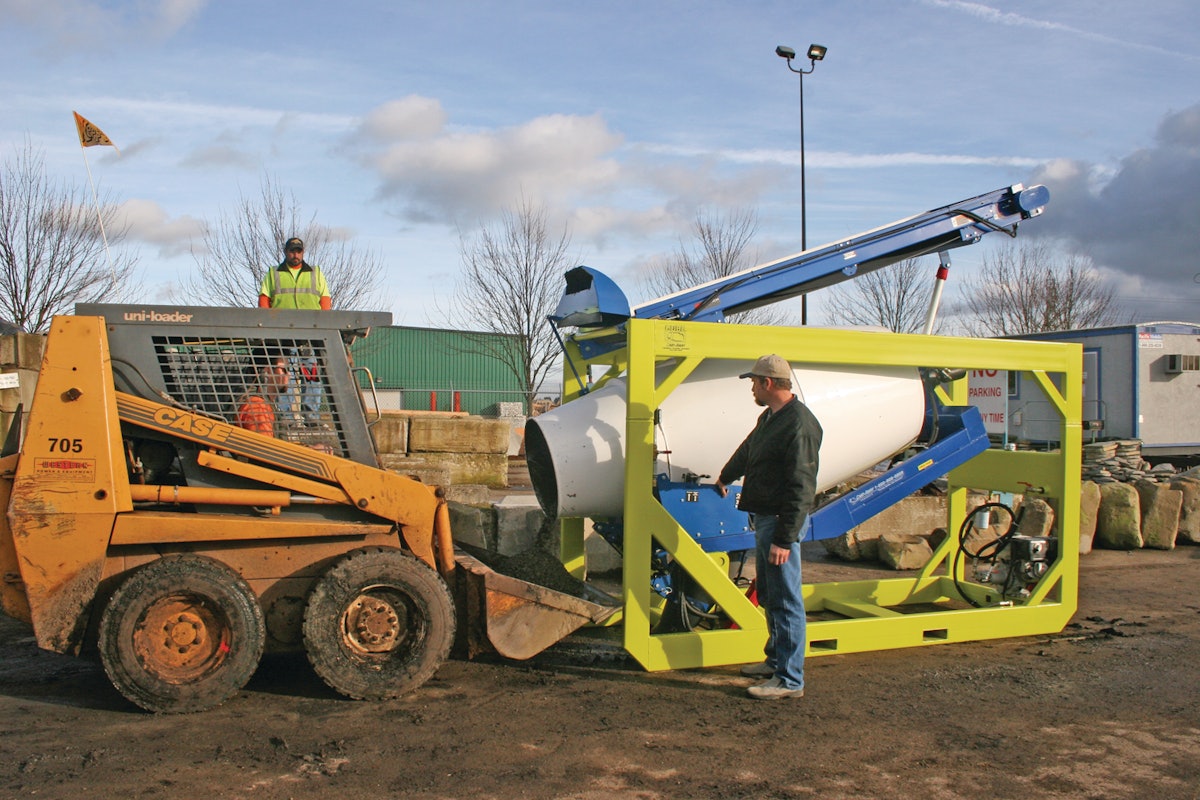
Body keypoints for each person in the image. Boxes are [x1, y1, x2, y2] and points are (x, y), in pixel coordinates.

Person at [715, 353, 822, 701]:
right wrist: (725, 476)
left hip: (779, 523)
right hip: (766, 519)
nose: (752, 389)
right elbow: (749, 450)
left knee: (786, 600)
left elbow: (801, 487)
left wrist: (784, 539)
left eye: (754, 383)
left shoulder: (799, 424)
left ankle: (790, 680)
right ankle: (775, 662)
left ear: (768, 383)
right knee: (772, 595)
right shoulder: (771, 418)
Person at [258, 238, 332, 310]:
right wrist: (268, 317)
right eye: (292, 251)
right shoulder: (273, 273)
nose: (296, 255)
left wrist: (323, 317)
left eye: (299, 252)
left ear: (303, 252)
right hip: (281, 318)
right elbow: (264, 299)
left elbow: (325, 299)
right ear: (285, 252)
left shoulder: (316, 273)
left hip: (311, 318)